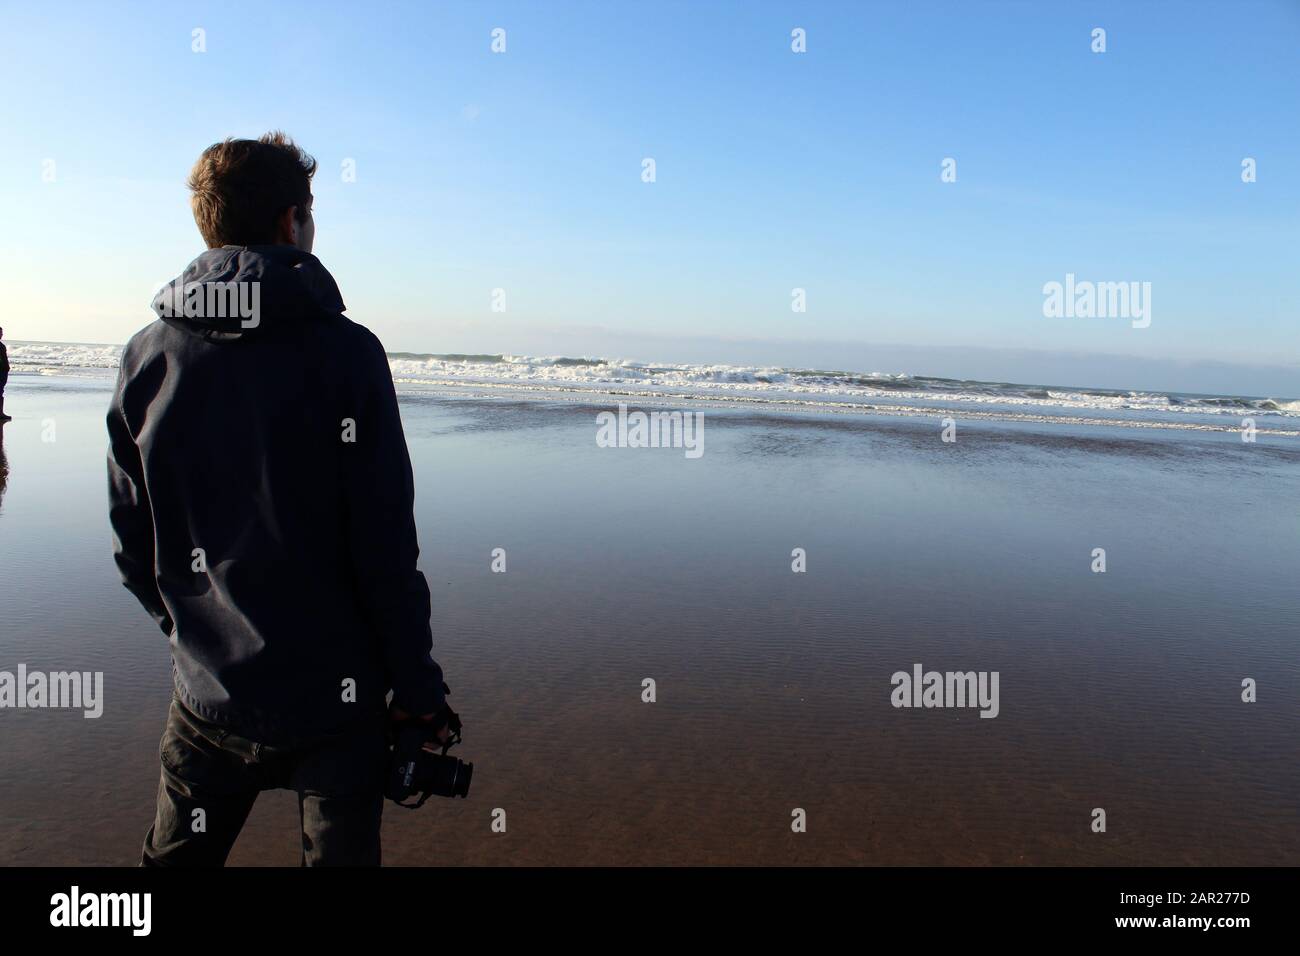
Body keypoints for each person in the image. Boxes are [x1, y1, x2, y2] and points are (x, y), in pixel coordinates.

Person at [107, 132, 454, 866]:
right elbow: (385, 545)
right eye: (311, 211)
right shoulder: (347, 353)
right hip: (337, 699)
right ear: (290, 223)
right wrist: (418, 689)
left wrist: (191, 631)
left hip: (207, 689)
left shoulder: (146, 356)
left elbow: (131, 540)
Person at [0, 327, 11, 421]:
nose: (1, 335)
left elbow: (5, 359)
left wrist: (7, 367)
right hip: (1, 370)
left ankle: (1, 412)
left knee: (1, 390)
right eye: (0, 333)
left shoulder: (2, 346)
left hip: (3, 370)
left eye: (1, 333)